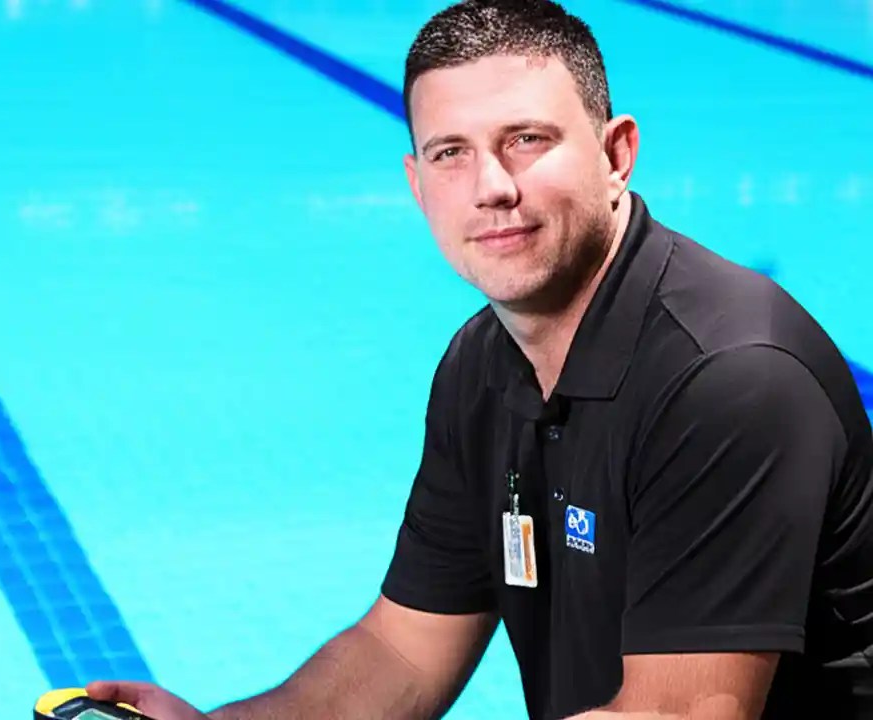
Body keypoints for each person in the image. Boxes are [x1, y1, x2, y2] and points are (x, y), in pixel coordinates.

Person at [86, 0, 873, 717]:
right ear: (416, 184)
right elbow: (401, 653)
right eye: (450, 153)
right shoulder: (484, 364)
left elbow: (674, 717)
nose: (491, 187)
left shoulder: (731, 379)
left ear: (616, 155)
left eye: (526, 140)